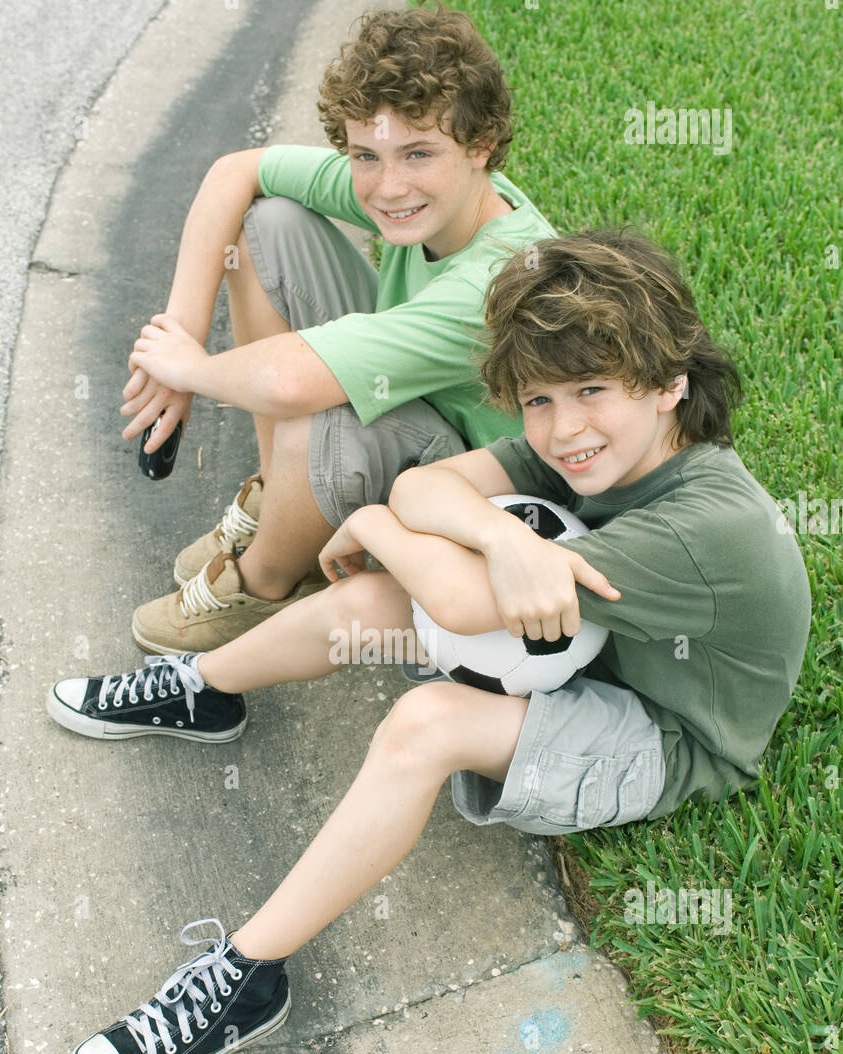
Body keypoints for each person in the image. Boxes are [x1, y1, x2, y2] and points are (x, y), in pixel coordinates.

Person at [47, 227, 811, 1054]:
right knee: (375, 602)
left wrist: (372, 529)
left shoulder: (702, 527)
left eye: (592, 391)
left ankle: (245, 979)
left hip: (666, 734)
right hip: (595, 657)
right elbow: (425, 486)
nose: (563, 431)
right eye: (536, 401)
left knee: (426, 721)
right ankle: (204, 691)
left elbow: (450, 598)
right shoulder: (596, 451)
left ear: (672, 383)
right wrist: (489, 534)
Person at [120, 1, 556, 657]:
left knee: (319, 396)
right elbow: (236, 172)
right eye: (364, 155)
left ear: (480, 147)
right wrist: (177, 332)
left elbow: (292, 380)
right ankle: (285, 500)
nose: (386, 187)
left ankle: (266, 584)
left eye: (416, 153)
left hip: (482, 493)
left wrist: (188, 369)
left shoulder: (495, 283)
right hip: (421, 407)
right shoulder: (422, 188)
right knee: (265, 223)